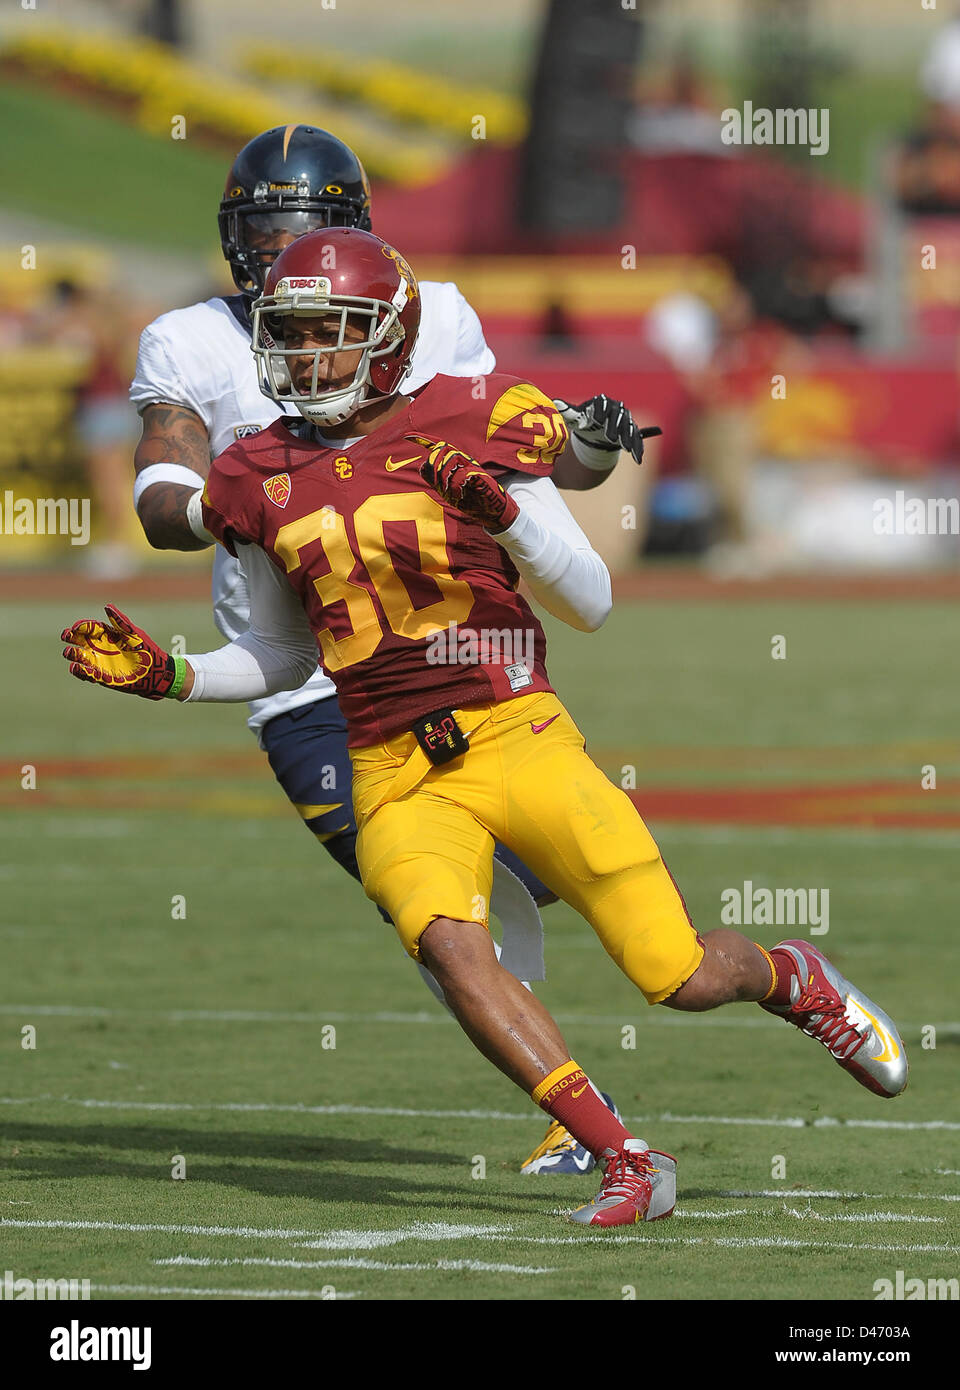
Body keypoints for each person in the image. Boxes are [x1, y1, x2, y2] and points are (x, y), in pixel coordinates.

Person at [64, 228, 909, 1228]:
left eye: (325, 334)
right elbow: (292, 660)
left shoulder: (462, 412)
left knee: (674, 972)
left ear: (386, 340)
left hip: (515, 729)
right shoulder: (255, 471)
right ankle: (625, 1158)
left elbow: (592, 475)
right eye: (286, 334)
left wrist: (527, 491)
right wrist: (176, 675)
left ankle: (788, 974)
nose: (299, 357)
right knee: (452, 947)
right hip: (388, 768)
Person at [128, 124, 654, 1176]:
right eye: (263, 227)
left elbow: (513, 448)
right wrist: (220, 509)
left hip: (444, 643)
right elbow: (162, 486)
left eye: (303, 227)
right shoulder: (189, 339)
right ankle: (577, 1116)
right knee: (432, 917)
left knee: (547, 886)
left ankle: (747, 989)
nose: (281, 250)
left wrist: (575, 463)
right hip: (304, 678)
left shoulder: (432, 314)